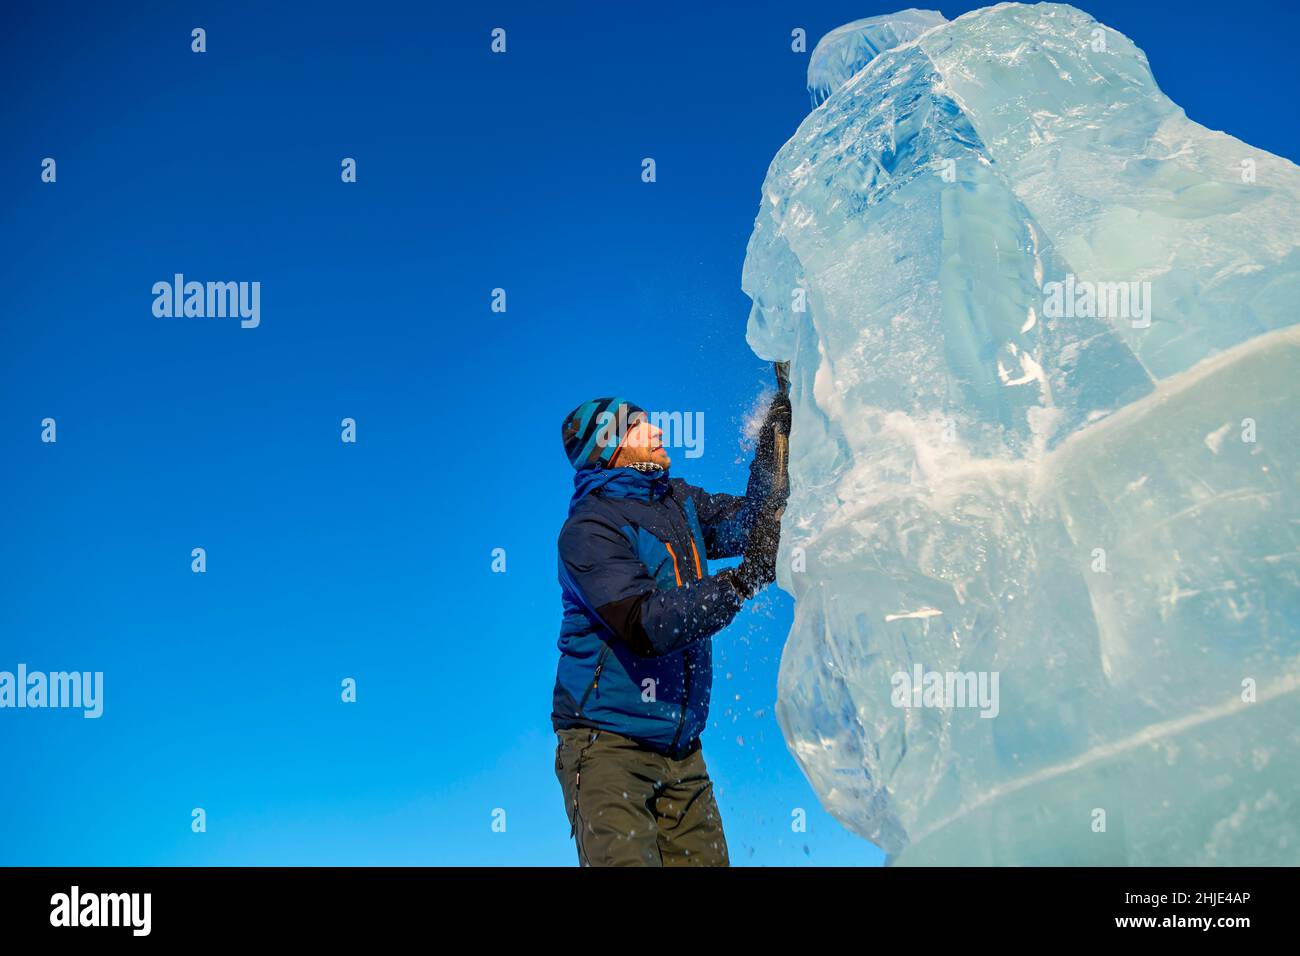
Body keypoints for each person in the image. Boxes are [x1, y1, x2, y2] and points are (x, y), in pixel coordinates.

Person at [551, 392, 790, 866]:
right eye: (640, 426)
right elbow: (645, 622)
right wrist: (739, 582)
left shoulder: (680, 502)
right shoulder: (589, 530)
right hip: (608, 748)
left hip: (683, 752)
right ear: (610, 445)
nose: (658, 431)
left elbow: (752, 526)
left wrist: (774, 443)